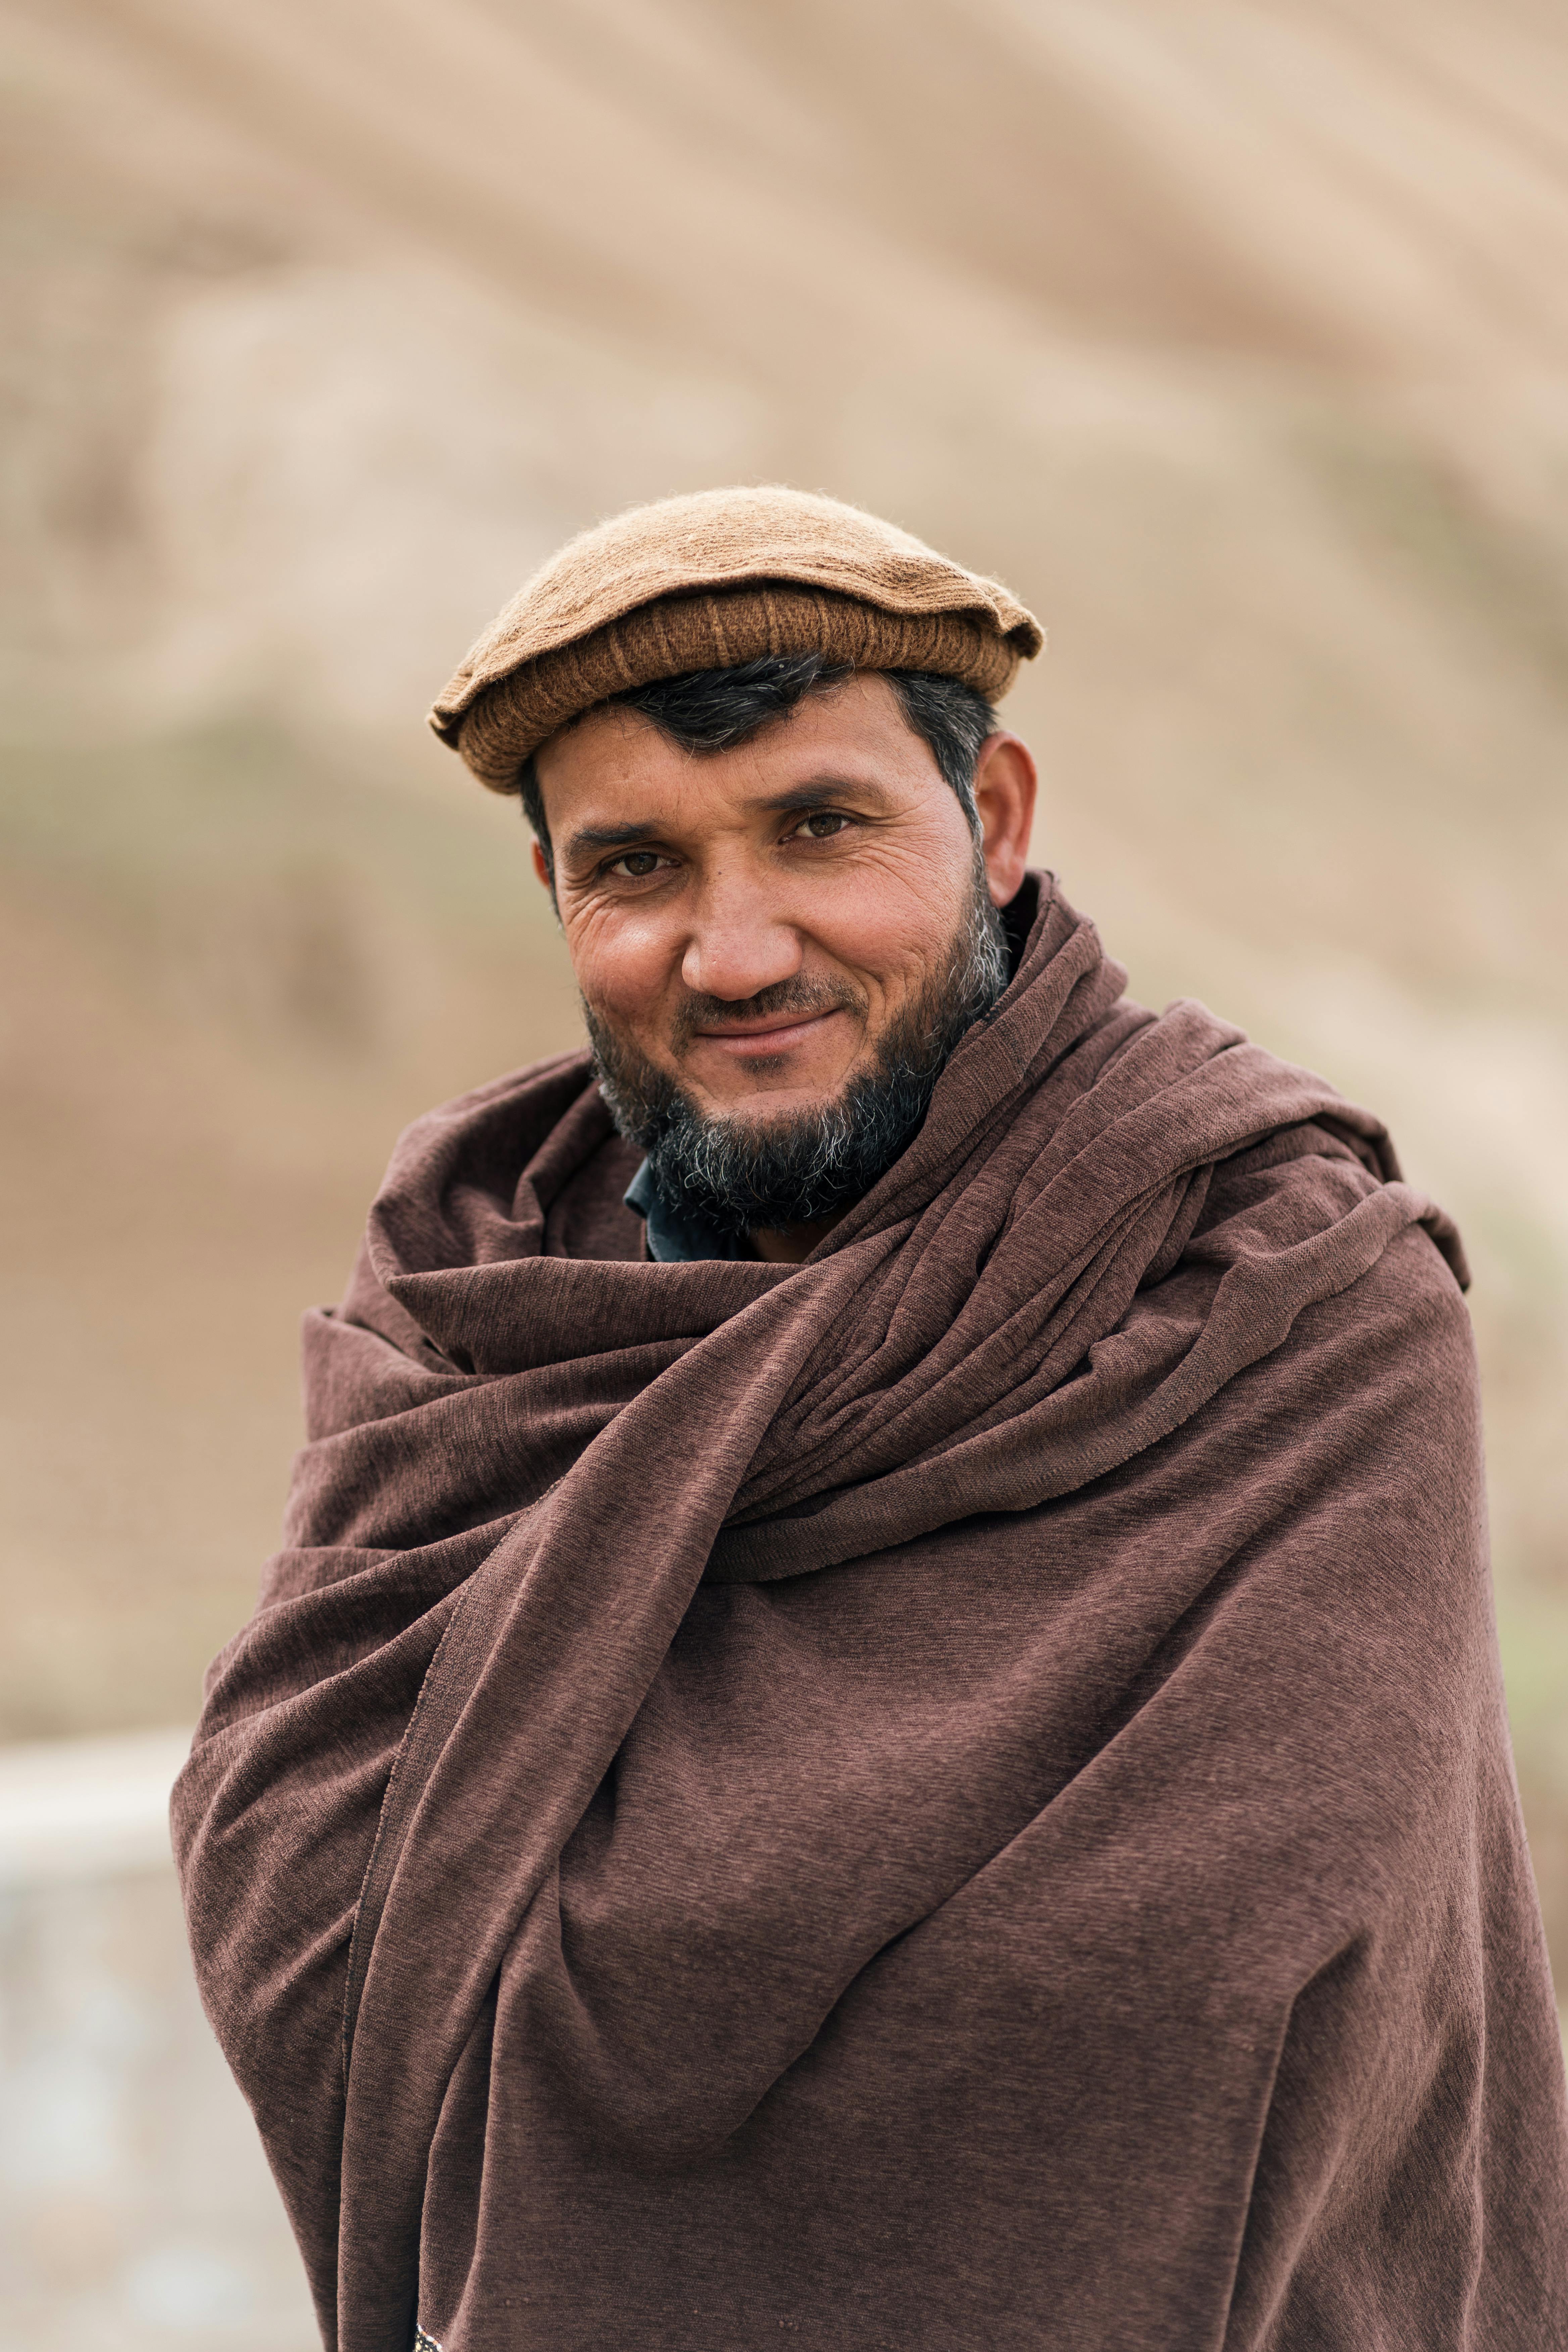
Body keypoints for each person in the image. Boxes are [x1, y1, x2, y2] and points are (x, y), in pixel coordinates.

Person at [175, 487, 1568, 2351]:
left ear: (991, 824)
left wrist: (601, 1939)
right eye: (638, 867)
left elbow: (1162, 1996)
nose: (736, 952)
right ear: (557, 898)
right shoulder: (467, 1306)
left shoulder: (1276, 1290)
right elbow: (293, 1875)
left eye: (818, 830)